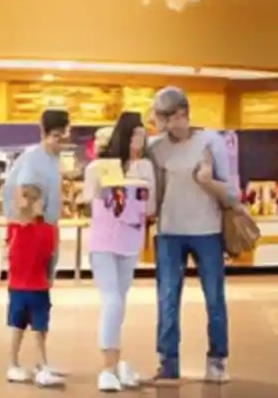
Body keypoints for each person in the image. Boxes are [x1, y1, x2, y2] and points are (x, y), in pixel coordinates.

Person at [147, 86, 244, 385]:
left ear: (180, 115)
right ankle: (168, 362)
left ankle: (217, 360)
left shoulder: (210, 142)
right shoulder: (156, 147)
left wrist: (205, 180)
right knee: (167, 298)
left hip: (207, 231)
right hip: (169, 233)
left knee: (214, 297)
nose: (160, 124)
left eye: (164, 117)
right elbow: (156, 190)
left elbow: (231, 193)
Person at [81, 111, 157, 392]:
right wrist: (106, 187)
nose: (140, 140)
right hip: (103, 242)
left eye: (143, 136)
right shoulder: (99, 166)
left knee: (120, 302)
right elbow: (89, 198)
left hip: (130, 241)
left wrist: (139, 191)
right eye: (136, 134)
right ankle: (108, 368)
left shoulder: (145, 168)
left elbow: (150, 208)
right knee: (111, 301)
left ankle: (117, 362)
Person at [4, 184, 64, 388]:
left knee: (19, 326)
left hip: (20, 287)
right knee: (37, 327)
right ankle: (41, 365)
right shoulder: (46, 231)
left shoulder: (14, 230)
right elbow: (50, 255)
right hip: (36, 286)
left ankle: (20, 363)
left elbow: (11, 254)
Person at [2, 108, 70, 281]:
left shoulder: (52, 159)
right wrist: (37, 233)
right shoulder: (34, 158)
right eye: (56, 136)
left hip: (46, 228)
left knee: (42, 285)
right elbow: (26, 195)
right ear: (44, 133)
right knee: (31, 287)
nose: (61, 141)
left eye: (64, 136)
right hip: (32, 230)